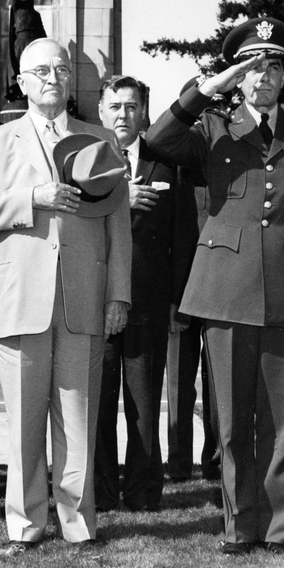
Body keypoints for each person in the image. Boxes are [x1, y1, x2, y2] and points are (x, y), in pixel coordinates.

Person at [145, 18, 284, 555]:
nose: (263, 77)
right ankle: (239, 527)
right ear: (240, 76)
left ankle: (276, 529)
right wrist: (210, 85)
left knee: (283, 421)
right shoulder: (213, 126)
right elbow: (158, 139)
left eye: (274, 66)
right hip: (226, 288)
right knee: (230, 423)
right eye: (253, 67)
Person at [0, 38, 131, 554]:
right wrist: (33, 198)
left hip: (85, 296)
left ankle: (79, 526)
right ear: (23, 81)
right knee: (25, 424)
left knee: (79, 421)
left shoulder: (101, 139)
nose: (52, 77)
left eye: (60, 68)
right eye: (41, 70)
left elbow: (118, 223)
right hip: (19, 298)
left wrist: (119, 293)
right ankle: (25, 526)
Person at [94, 75, 196, 512]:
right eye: (115, 106)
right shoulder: (84, 158)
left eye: (132, 106)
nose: (123, 114)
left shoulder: (166, 160)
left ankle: (142, 493)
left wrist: (178, 299)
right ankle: (97, 492)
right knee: (96, 407)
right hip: (94, 303)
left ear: (144, 112)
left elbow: (182, 233)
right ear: (101, 111)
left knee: (143, 405)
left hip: (150, 304)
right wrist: (120, 197)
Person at [165, 76, 226, 483]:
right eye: (202, 109)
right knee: (178, 384)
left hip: (221, 286)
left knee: (220, 381)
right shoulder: (171, 161)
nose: (209, 119)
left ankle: (217, 461)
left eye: (216, 109)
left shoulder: (231, 162)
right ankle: (179, 463)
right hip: (180, 290)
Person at [9, 0, 47, 76]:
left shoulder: (36, 14)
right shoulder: (18, 9)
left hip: (33, 42)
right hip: (20, 42)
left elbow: (42, 32)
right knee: (20, 68)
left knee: (33, 68)